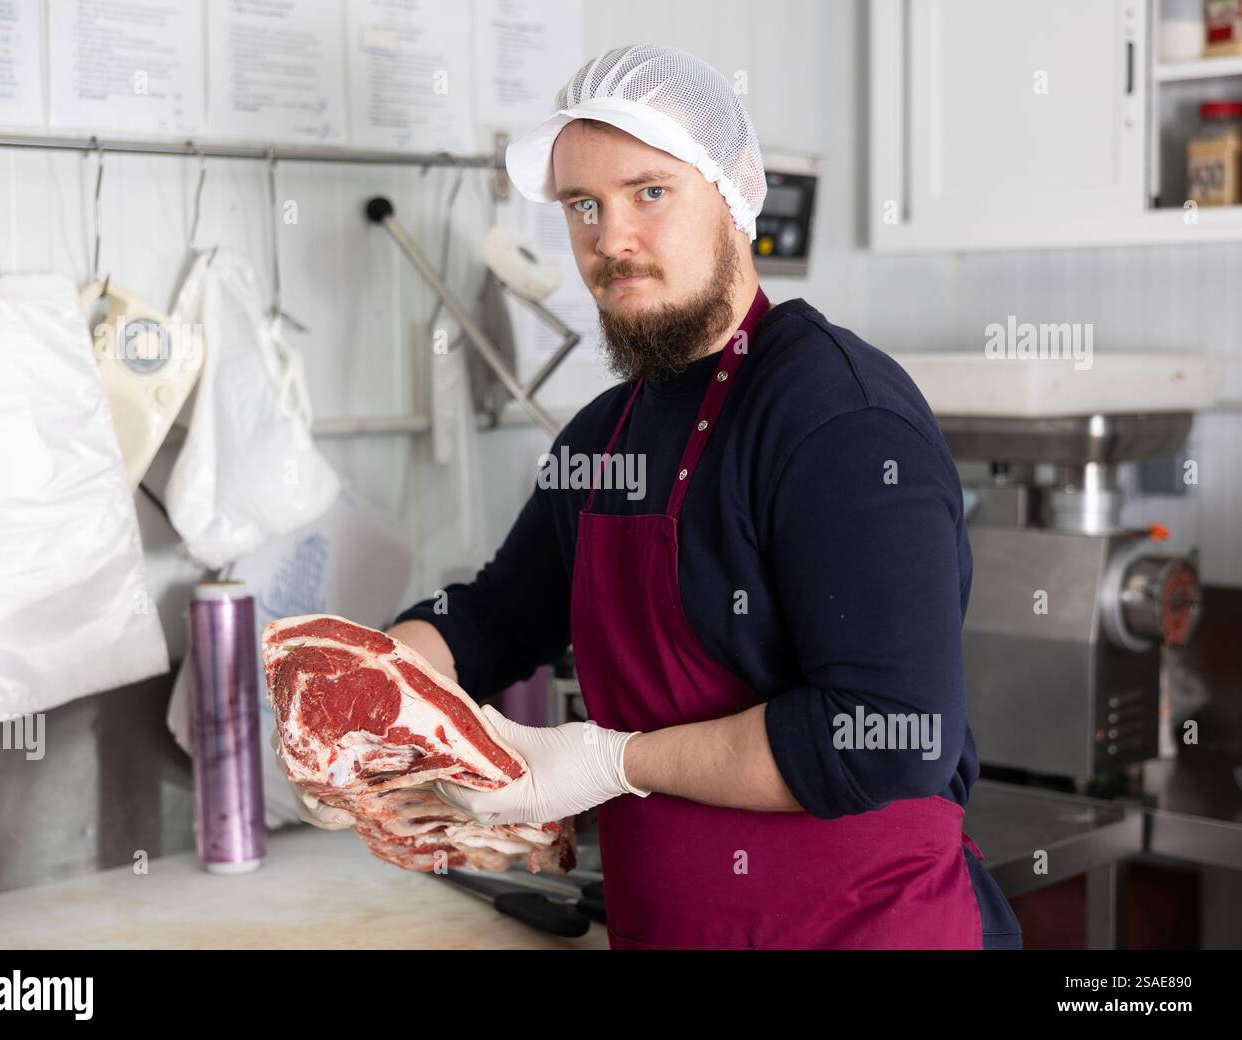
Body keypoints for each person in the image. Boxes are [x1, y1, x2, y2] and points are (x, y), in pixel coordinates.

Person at [288, 44, 1023, 951]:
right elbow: (496, 614)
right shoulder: (602, 435)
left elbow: (888, 736)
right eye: (582, 206)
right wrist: (375, 696)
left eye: (649, 192)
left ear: (735, 191)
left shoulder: (839, 418)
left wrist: (608, 761)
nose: (611, 239)